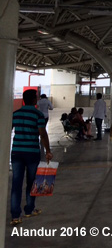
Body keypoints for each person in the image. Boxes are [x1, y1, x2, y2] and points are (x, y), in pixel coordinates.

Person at [10, 89, 53, 225]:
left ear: (23, 99)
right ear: (35, 100)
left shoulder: (15, 114)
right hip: (32, 152)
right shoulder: (38, 114)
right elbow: (43, 134)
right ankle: (29, 209)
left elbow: (7, 131)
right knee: (32, 182)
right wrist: (48, 151)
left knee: (16, 184)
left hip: (16, 152)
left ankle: (15, 216)